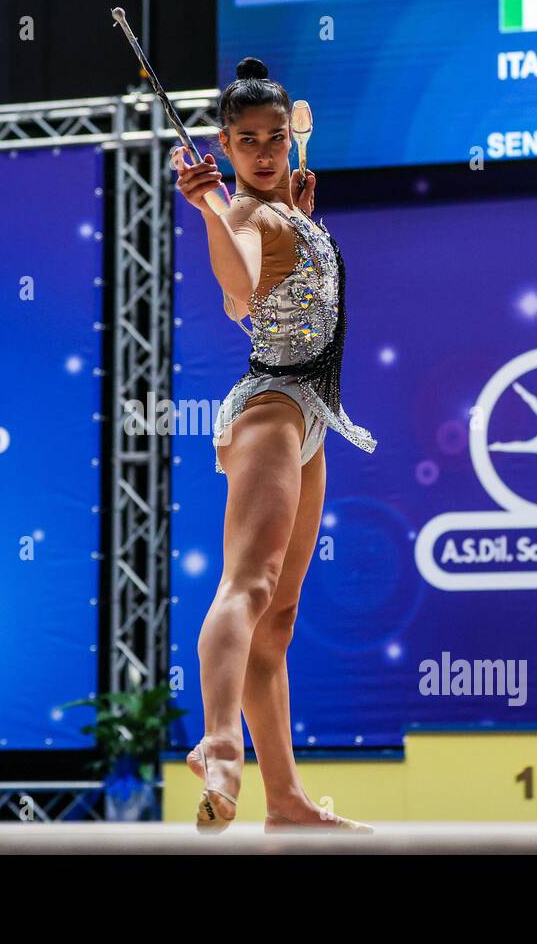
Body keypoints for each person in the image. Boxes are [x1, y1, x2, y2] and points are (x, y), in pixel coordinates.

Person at [174, 56, 377, 834]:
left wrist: (297, 216)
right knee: (247, 586)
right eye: (245, 140)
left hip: (313, 415)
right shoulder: (245, 216)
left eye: (273, 138)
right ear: (224, 146)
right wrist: (211, 214)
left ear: (292, 138)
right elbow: (244, 290)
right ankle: (220, 740)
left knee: (280, 617)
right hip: (272, 410)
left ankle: (285, 800)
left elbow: (260, 287)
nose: (262, 151)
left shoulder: (282, 208)